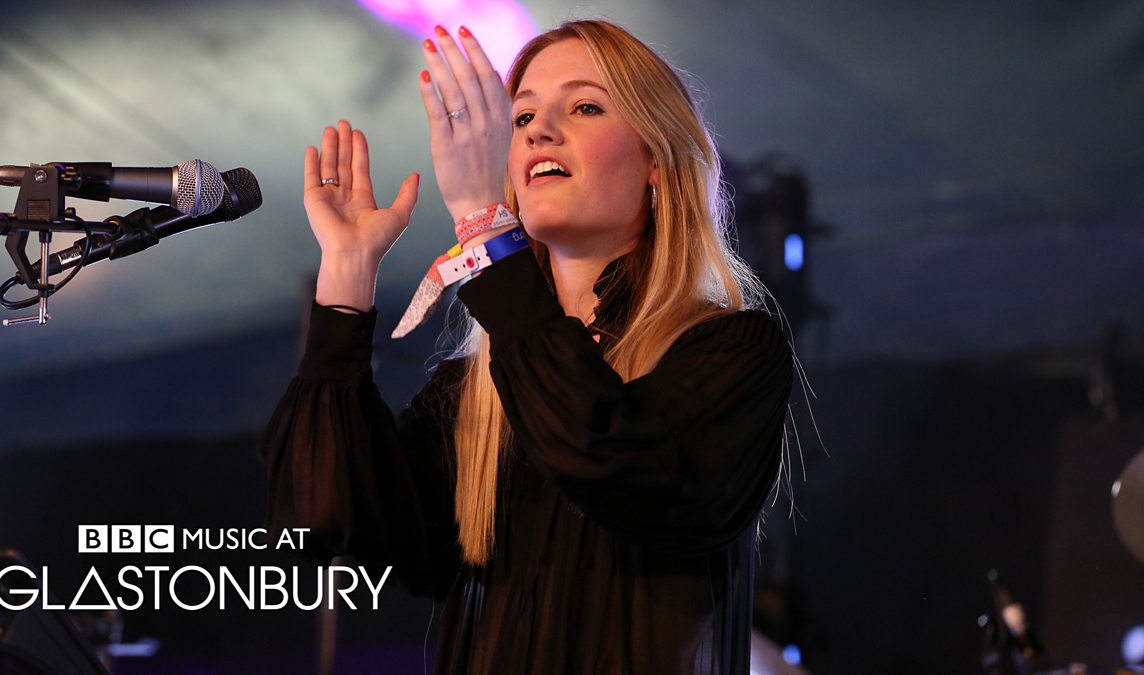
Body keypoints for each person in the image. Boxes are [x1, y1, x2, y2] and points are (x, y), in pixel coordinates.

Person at [263, 19, 794, 674]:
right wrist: (346, 275)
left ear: (656, 160)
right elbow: (330, 522)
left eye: (585, 106)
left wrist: (486, 231)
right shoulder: (472, 393)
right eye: (521, 118)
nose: (540, 130)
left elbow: (614, 461)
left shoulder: (729, 349)